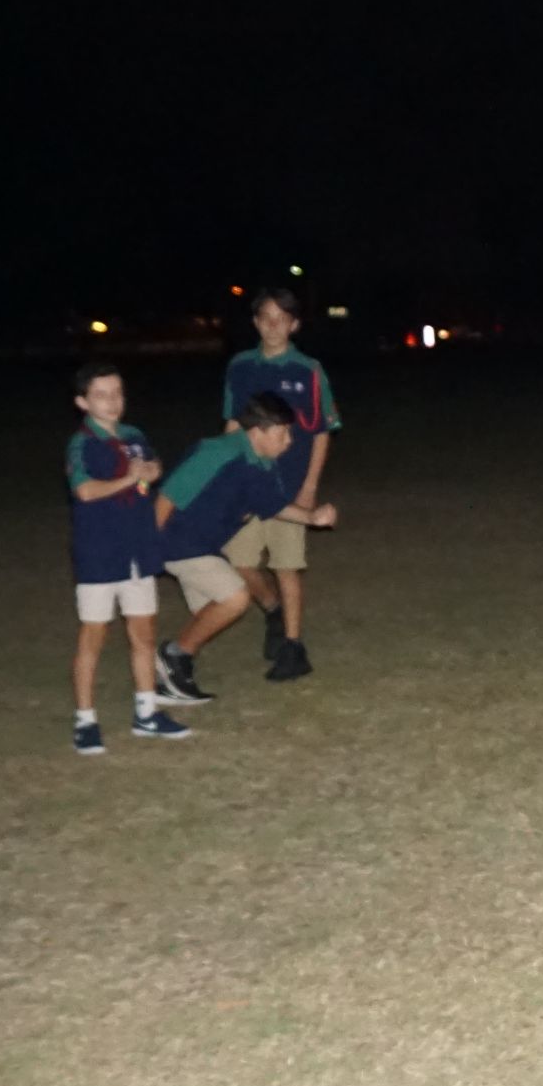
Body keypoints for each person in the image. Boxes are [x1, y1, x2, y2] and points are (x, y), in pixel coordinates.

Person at [155, 394, 337, 702]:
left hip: (205, 546)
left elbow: (273, 505)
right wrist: (150, 548)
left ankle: (167, 680)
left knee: (208, 612)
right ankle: (173, 657)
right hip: (179, 543)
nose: (290, 441)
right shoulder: (217, 452)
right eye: (283, 433)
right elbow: (167, 497)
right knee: (235, 598)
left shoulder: (262, 463)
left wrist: (311, 517)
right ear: (258, 432)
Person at [63, 362, 194, 753]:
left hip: (139, 550)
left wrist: (150, 471)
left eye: (117, 393)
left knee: (144, 636)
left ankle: (146, 711)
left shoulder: (134, 434)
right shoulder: (82, 443)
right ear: (83, 401)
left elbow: (152, 465)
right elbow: (84, 491)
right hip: (100, 554)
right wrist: (131, 478)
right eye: (101, 395)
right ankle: (85, 720)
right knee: (94, 637)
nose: (112, 402)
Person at [217, 288, 342, 681]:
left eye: (281, 318)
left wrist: (308, 487)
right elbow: (233, 425)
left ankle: (292, 646)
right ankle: (272, 609)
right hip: (249, 484)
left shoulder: (308, 370)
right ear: (255, 323)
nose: (273, 325)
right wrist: (226, 475)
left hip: (289, 485)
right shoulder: (240, 367)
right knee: (238, 561)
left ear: (294, 324)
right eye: (265, 317)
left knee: (287, 565)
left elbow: (322, 431)